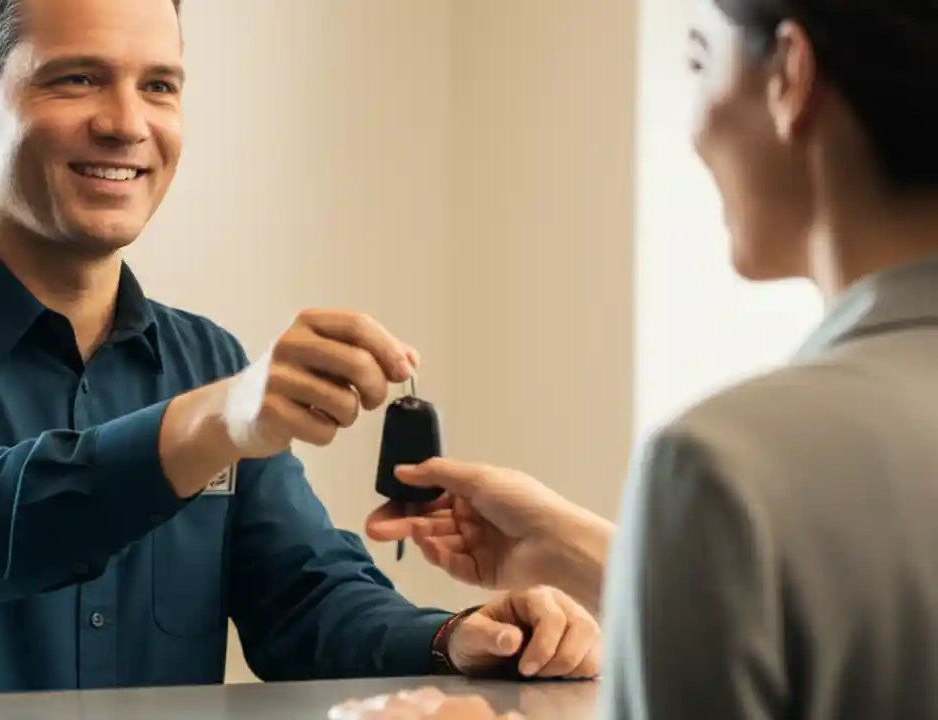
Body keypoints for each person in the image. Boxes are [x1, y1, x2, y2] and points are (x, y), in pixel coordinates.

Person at [0, 0, 602, 701]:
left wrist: (458, 639)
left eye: (158, 86)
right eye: (77, 78)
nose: (127, 123)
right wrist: (214, 421)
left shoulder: (205, 358)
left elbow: (305, 602)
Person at [368, 0, 938, 718]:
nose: (693, 134)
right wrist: (589, 552)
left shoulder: (724, 461)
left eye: (700, 62)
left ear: (792, 75)